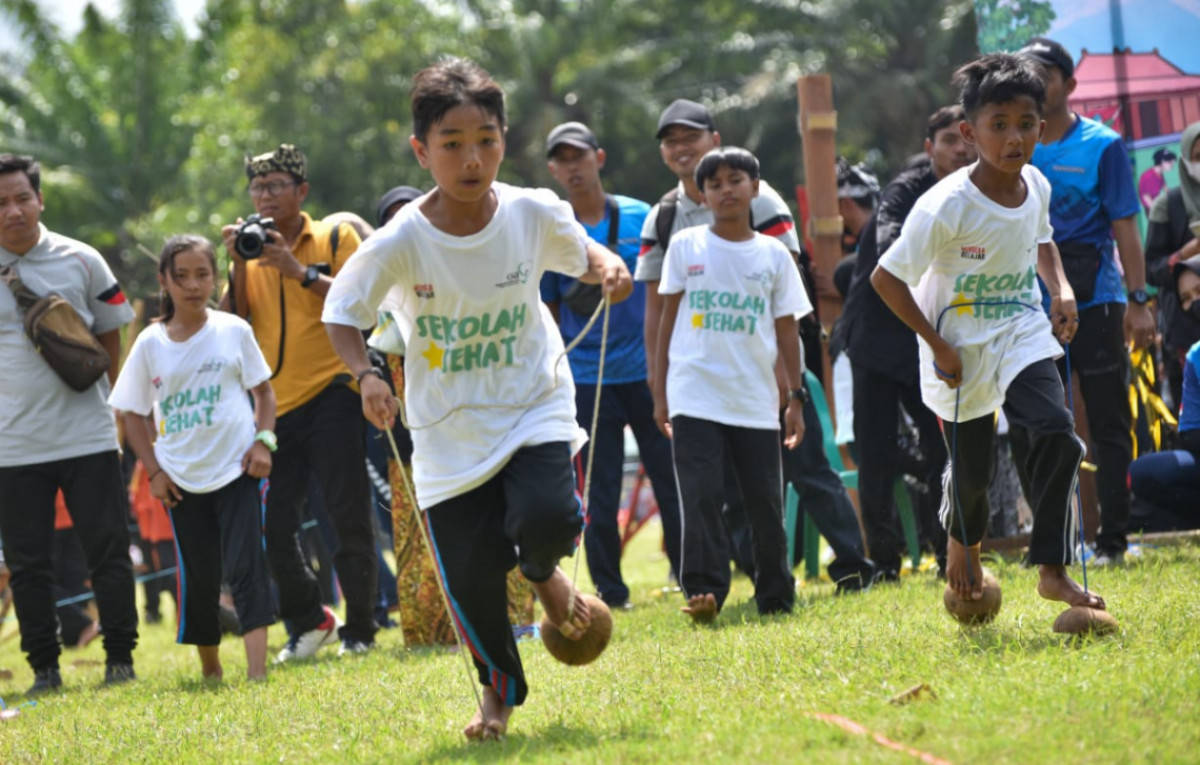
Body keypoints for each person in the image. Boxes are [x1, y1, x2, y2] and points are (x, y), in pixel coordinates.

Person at [322, 59, 632, 740]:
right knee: (468, 577)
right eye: (453, 143)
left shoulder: (529, 211)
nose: (473, 158)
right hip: (445, 429)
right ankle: (498, 696)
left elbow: (582, 252)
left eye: (486, 139)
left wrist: (607, 267)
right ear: (420, 150)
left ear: (504, 137)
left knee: (549, 515)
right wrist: (367, 374)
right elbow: (342, 313)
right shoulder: (401, 238)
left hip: (532, 401)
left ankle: (545, 570)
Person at [870, 53, 1106, 612]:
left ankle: (1051, 566)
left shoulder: (1037, 184)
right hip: (957, 341)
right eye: (998, 126)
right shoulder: (943, 207)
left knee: (1056, 431)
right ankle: (963, 537)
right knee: (973, 472)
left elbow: (1043, 239)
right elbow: (886, 280)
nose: (1013, 138)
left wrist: (1061, 288)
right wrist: (937, 343)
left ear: (1041, 128)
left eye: (1025, 124)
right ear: (968, 132)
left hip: (1020, 327)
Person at [635, 98, 875, 590]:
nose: (681, 148)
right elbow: (657, 309)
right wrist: (656, 379)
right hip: (703, 378)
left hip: (768, 364)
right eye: (670, 140)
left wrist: (789, 377)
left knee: (807, 468)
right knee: (731, 489)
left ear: (715, 141)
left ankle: (852, 565)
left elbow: (787, 285)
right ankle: (761, 573)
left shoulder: (760, 201)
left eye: (691, 137)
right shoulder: (662, 218)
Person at [222, 143, 378, 658]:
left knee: (345, 514)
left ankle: (360, 629)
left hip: (335, 389)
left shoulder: (336, 235)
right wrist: (236, 266)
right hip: (276, 404)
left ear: (301, 191)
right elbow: (233, 321)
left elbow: (364, 305)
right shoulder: (252, 249)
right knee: (273, 526)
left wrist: (299, 270)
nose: (265, 197)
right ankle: (311, 619)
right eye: (258, 188)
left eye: (276, 187)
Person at [0, 153, 139, 694]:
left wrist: (106, 401)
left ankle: (121, 661)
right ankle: (44, 670)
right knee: (29, 563)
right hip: (12, 445)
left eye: (21, 198)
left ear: (40, 200)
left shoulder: (82, 260)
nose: (12, 210)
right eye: (1, 202)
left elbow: (112, 333)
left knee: (106, 551)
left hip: (87, 435)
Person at [111, 234, 277, 681]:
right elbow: (132, 412)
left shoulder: (233, 330)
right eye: (181, 276)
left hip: (237, 469)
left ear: (214, 276)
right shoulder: (150, 343)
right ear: (163, 280)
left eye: (202, 274)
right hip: (182, 480)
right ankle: (211, 671)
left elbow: (263, 392)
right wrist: (155, 471)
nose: (192, 285)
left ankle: (258, 673)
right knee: (200, 577)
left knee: (248, 567)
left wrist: (263, 442)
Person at [652, 146, 807, 622]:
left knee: (764, 502)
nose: (726, 190)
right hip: (693, 393)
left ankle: (776, 595)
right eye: (714, 183)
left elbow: (787, 330)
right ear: (703, 194)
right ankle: (703, 591)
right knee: (699, 496)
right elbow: (665, 321)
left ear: (755, 188)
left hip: (755, 398)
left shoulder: (774, 255)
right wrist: (659, 394)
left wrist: (794, 398)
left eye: (735, 180)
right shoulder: (686, 247)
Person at [1020, 37, 1155, 567]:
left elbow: (1127, 225)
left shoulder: (1103, 145)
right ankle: (1051, 543)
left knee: (1106, 423)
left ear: (1069, 84)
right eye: (1026, 70)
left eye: (1045, 72)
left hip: (1097, 300)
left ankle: (1114, 541)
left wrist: (1139, 300)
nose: (1035, 79)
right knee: (1038, 425)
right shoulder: (1015, 145)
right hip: (1028, 306)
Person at [541, 120, 681, 608]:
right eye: (562, 159)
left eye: (579, 156)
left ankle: (690, 573)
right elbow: (549, 310)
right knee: (596, 490)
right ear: (553, 170)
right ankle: (610, 588)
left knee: (672, 476)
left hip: (647, 373)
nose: (572, 167)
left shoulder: (642, 216)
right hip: (584, 378)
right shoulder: (553, 233)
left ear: (598, 158)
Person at [840, 106, 974, 580]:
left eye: (966, 139)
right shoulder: (906, 189)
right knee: (874, 451)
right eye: (948, 141)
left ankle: (948, 553)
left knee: (943, 446)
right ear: (929, 149)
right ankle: (883, 562)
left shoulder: (985, 187)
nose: (960, 149)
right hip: (878, 335)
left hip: (930, 336)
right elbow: (887, 242)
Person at [1128, 263, 1200, 529]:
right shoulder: (1195, 356)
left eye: (1198, 292)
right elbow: (1191, 434)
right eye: (1186, 299)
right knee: (1142, 473)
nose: (1194, 304)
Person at [1145, 122, 1200, 409]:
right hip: (1186, 331)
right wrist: (1185, 253)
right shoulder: (1168, 205)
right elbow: (1151, 271)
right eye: (1198, 156)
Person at [1139, 148, 1177, 214]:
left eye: (1172, 160)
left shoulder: (1159, 174)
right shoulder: (1148, 176)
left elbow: (1166, 189)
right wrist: (1159, 211)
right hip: (1151, 209)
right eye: (1168, 161)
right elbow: (1146, 197)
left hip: (1157, 205)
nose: (1172, 163)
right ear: (1160, 162)